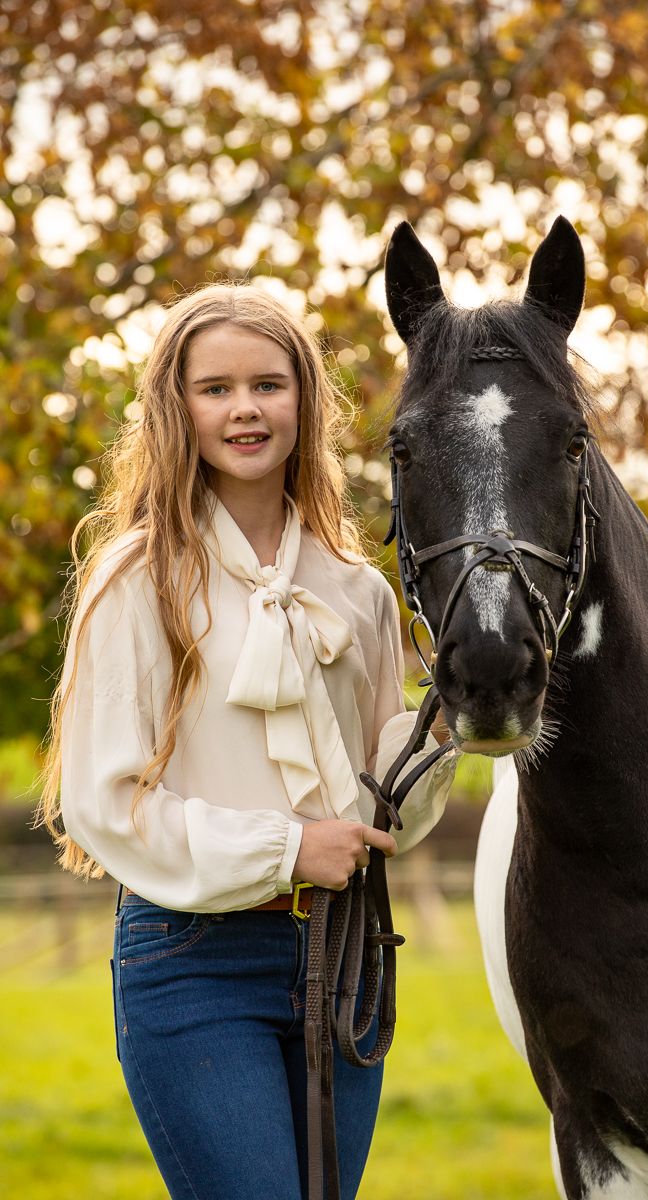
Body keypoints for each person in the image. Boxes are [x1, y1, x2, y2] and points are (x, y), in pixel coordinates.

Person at [35, 282, 458, 1200]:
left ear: (304, 400)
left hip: (345, 957)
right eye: (215, 389)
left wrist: (449, 723)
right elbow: (105, 802)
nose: (245, 409)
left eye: (268, 384)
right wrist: (286, 849)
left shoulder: (358, 590)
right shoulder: (136, 580)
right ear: (175, 408)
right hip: (194, 962)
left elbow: (380, 804)